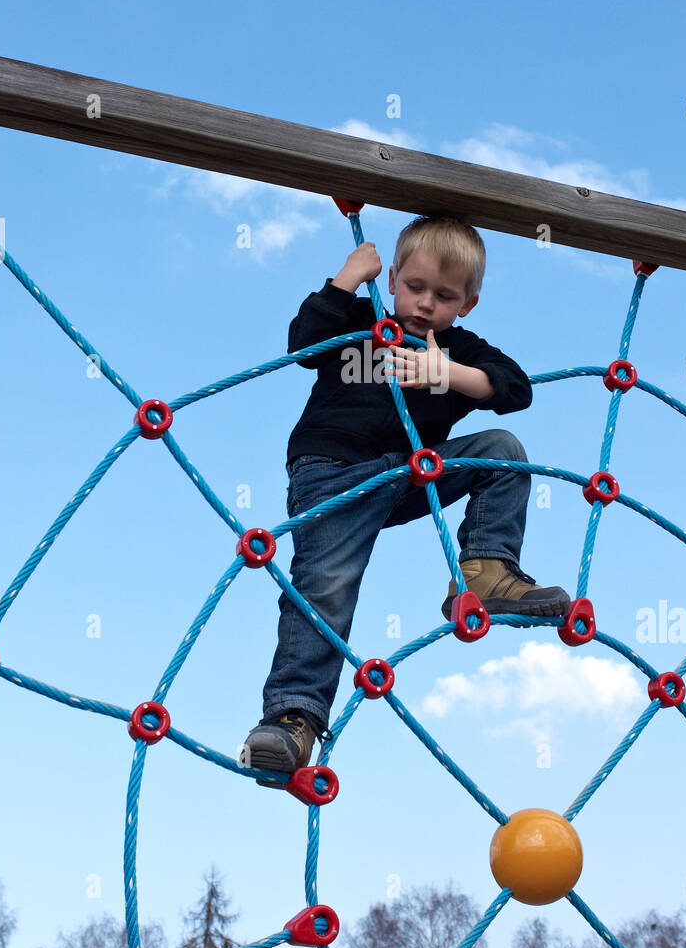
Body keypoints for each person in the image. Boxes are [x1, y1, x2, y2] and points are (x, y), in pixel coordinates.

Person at [239, 215, 571, 780]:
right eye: (414, 287)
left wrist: (451, 373)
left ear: (467, 303)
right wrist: (345, 279)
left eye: (444, 296)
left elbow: (517, 389)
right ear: (391, 279)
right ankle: (291, 720)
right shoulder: (364, 322)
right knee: (327, 586)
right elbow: (303, 345)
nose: (424, 305)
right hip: (333, 471)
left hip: (412, 474)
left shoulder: (456, 349)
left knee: (502, 448)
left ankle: (485, 573)